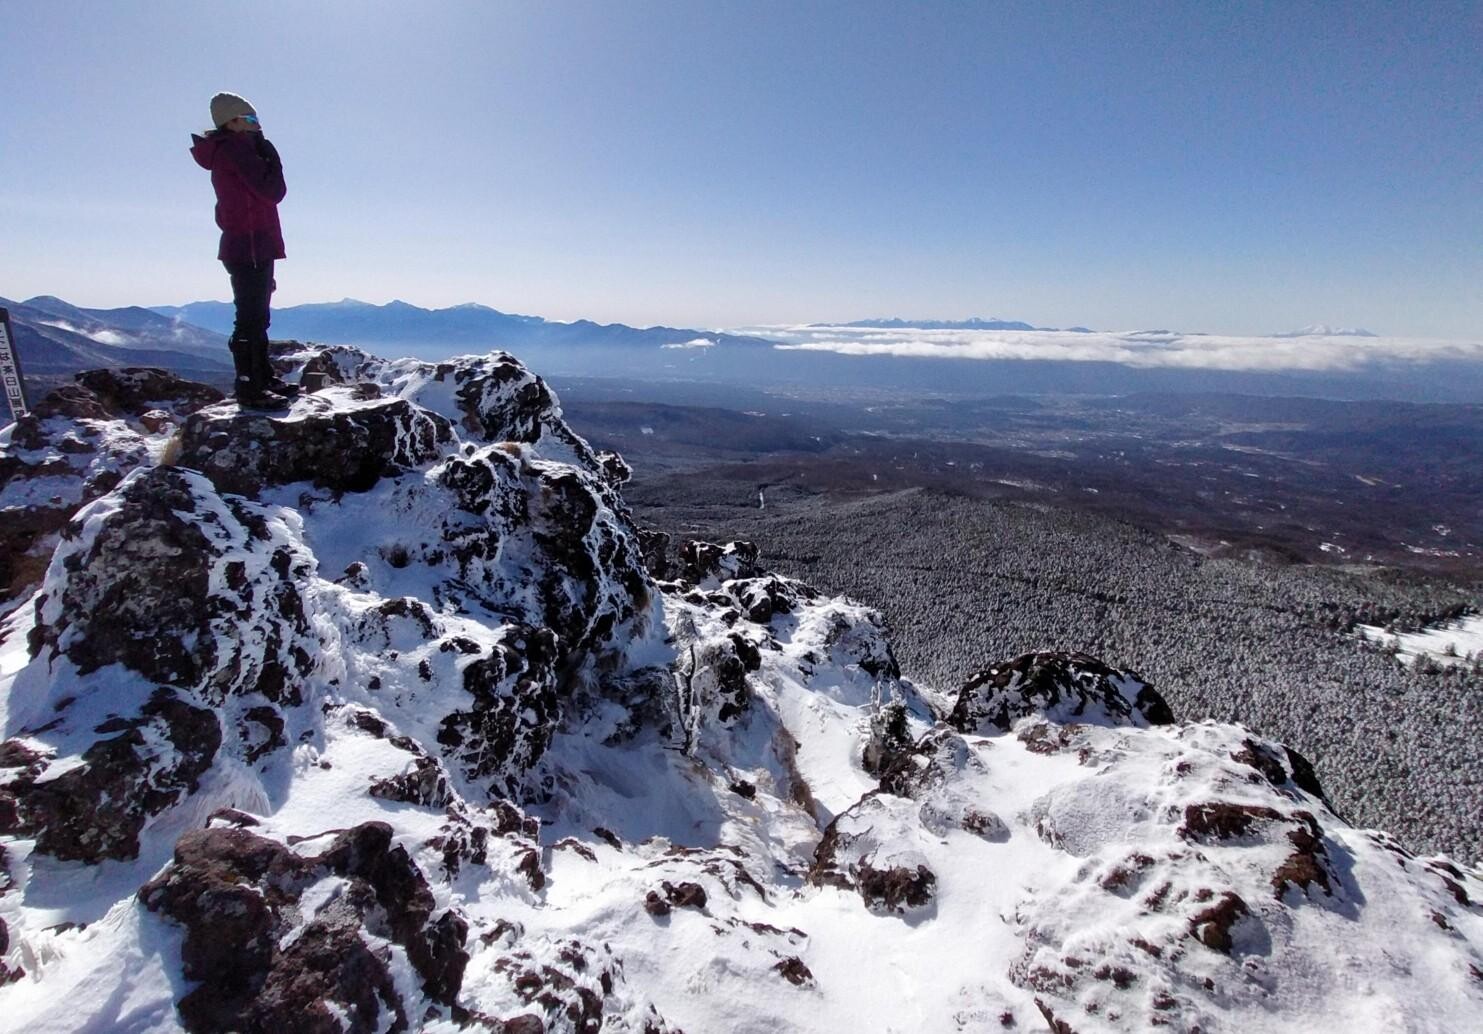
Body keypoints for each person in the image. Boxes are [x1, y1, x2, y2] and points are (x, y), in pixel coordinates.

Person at [190, 92, 297, 407]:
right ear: (231, 122)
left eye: (257, 119)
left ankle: (261, 378)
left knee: (256, 316)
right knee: (251, 318)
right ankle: (251, 387)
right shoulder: (236, 150)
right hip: (249, 244)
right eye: (249, 119)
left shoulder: (232, 149)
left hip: (249, 243)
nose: (256, 126)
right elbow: (272, 191)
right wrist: (273, 159)